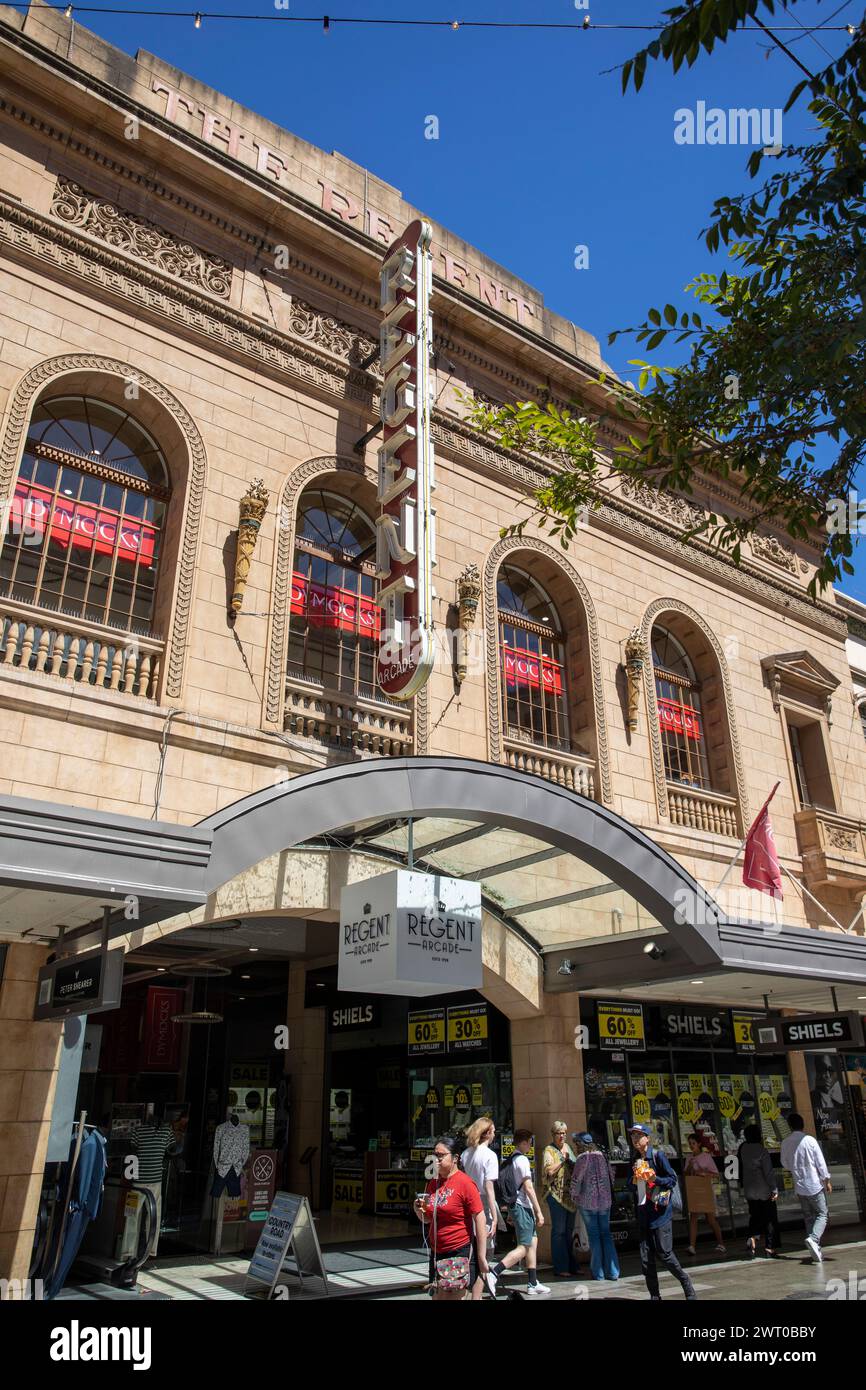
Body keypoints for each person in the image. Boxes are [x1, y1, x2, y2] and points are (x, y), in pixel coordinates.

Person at [413, 1135, 489, 1301]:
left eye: (441, 1155)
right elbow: (427, 1219)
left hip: (457, 1250)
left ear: (455, 1158)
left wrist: (482, 1256)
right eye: (434, 1154)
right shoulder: (434, 1182)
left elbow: (480, 1218)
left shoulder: (465, 1183)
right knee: (437, 1296)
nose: (436, 1159)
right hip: (436, 1251)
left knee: (453, 1296)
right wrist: (418, 1209)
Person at [628, 1123, 696, 1301]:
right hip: (643, 1213)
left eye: (638, 1135)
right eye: (633, 1136)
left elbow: (672, 1180)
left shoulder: (658, 1156)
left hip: (660, 1213)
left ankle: (685, 1282)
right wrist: (635, 1179)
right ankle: (655, 1296)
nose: (635, 1139)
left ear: (647, 1139)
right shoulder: (635, 1159)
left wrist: (654, 1178)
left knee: (665, 1254)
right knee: (646, 1260)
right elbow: (630, 1185)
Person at [485, 1130, 550, 1297]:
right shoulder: (522, 1160)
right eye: (529, 1142)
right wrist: (538, 1210)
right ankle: (494, 1273)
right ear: (523, 1142)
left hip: (517, 1206)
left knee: (532, 1242)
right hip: (523, 1207)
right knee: (524, 1247)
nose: (530, 1146)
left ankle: (533, 1282)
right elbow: (528, 1187)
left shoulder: (511, 1159)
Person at [780, 1112, 832, 1263]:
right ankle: (814, 1240)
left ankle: (814, 1247)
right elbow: (820, 1162)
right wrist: (826, 1180)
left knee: (809, 1217)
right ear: (803, 1125)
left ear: (790, 1126)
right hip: (814, 1184)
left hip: (800, 1185)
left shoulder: (786, 1142)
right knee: (823, 1214)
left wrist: (794, 1167)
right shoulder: (810, 1140)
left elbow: (784, 1163)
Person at [570, 1131, 620, 1281]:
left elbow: (576, 1179)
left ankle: (598, 1273)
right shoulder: (602, 1156)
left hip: (587, 1202)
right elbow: (612, 1176)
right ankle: (613, 1272)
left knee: (594, 1236)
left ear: (580, 1144)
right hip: (605, 1201)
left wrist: (573, 1195)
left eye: (576, 1143)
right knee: (606, 1234)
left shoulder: (582, 1158)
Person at [460, 1116, 500, 1300]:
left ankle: (466, 1295)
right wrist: (494, 1216)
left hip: (467, 1204)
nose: (494, 1134)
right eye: (493, 1131)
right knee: (485, 1257)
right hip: (483, 1204)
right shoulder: (490, 1156)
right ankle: (476, 1297)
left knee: (470, 1254)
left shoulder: (465, 1154)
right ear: (487, 1133)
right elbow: (489, 1188)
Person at [541, 1121, 579, 1278]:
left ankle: (572, 1265)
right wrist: (562, 1161)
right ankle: (560, 1266)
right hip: (555, 1195)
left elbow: (575, 1164)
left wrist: (571, 1161)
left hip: (569, 1196)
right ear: (553, 1134)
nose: (562, 1135)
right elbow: (548, 1171)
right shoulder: (549, 1150)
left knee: (569, 1231)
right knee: (559, 1231)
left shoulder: (568, 1147)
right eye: (559, 1133)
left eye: (564, 1133)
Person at [738, 1123, 779, 1257]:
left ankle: (752, 1238)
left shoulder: (743, 1149)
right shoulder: (762, 1150)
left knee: (755, 1216)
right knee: (769, 1218)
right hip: (763, 1189)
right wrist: (774, 1188)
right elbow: (768, 1172)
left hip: (749, 1189)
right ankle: (769, 1247)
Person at [683, 1133, 726, 1255]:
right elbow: (686, 1175)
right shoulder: (689, 1158)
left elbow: (716, 1174)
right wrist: (689, 1167)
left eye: (693, 1143)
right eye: (690, 1143)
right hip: (695, 1190)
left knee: (710, 1218)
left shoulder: (706, 1157)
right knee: (694, 1217)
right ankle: (692, 1246)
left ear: (699, 1144)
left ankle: (721, 1243)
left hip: (705, 1190)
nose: (691, 1146)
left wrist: (704, 1174)